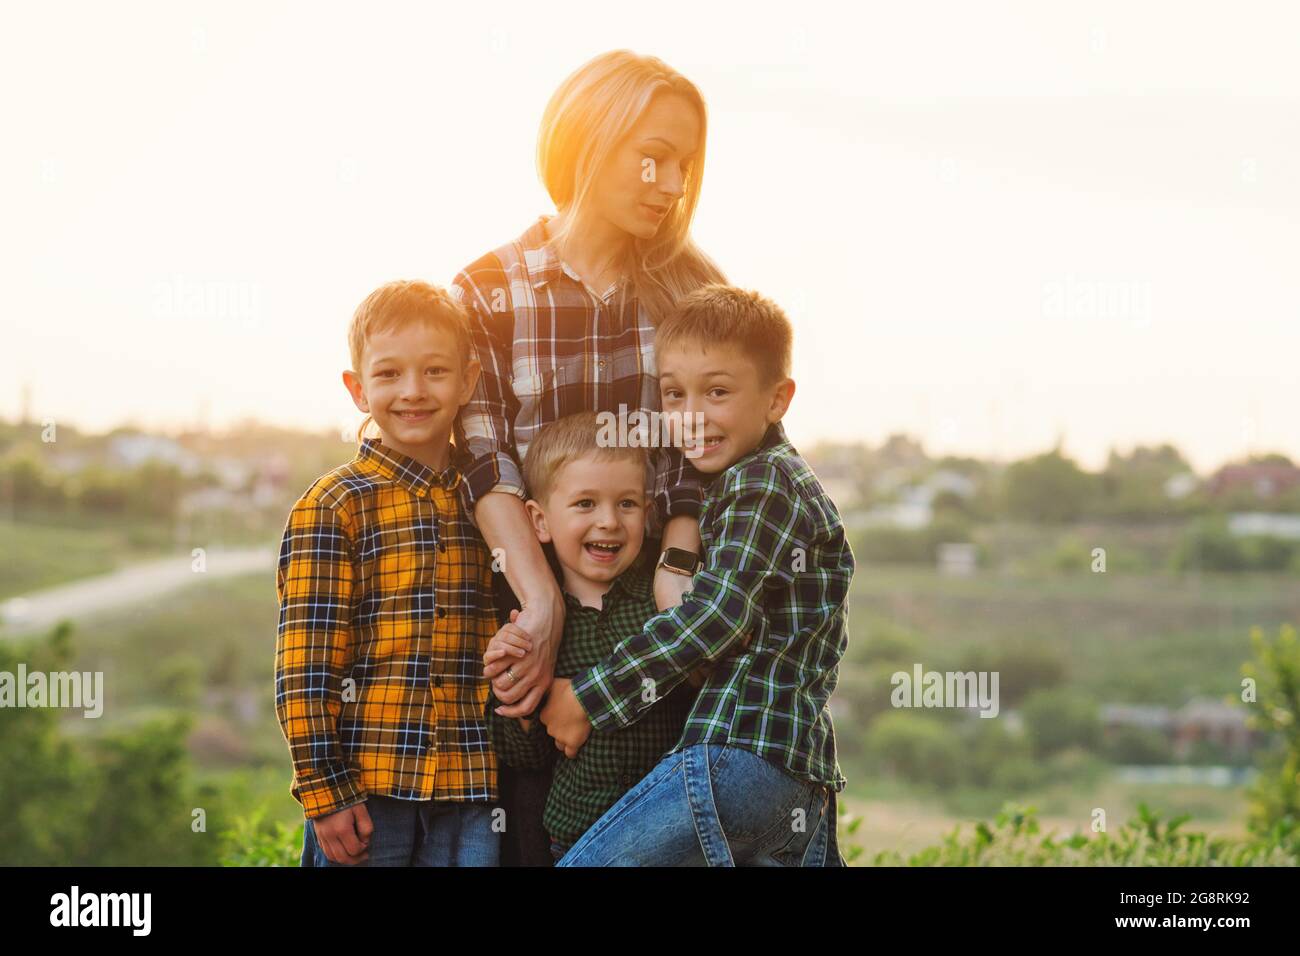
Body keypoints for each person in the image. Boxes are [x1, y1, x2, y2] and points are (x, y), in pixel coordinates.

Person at [449, 50, 726, 865]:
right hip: (518, 626)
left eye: (684, 165)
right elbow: (483, 458)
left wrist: (675, 559)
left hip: (654, 647)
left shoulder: (697, 294)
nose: (670, 183)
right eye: (653, 156)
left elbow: (715, 454)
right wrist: (540, 604)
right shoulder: (489, 291)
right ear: (588, 138)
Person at [528, 285, 855, 866]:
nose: (692, 415)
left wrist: (586, 695)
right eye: (675, 395)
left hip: (739, 754)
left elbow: (714, 618)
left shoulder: (764, 484)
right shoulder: (746, 482)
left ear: (777, 398)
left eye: (718, 391)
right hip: (795, 779)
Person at [274, 280, 500, 866]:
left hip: (468, 789)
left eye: (434, 371)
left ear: (468, 381)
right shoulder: (334, 505)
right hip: (367, 793)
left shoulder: (490, 505)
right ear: (357, 388)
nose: (413, 392)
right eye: (389, 374)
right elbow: (305, 666)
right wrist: (325, 791)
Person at [483, 411, 710, 863]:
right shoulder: (536, 627)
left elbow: (702, 674)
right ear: (540, 520)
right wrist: (515, 697)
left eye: (626, 504)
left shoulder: (662, 599)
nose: (608, 521)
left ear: (647, 515)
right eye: (585, 503)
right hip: (577, 840)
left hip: (670, 832)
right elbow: (523, 757)